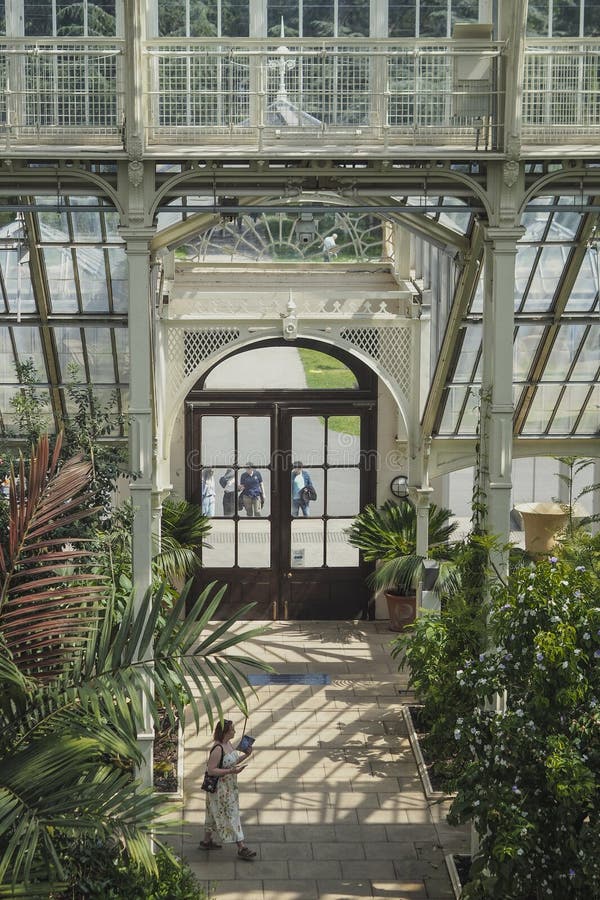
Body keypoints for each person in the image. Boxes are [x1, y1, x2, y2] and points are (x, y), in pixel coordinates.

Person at [200, 719, 256, 860]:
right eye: (232, 729)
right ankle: (241, 847)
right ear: (225, 732)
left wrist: (246, 756)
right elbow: (211, 770)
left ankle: (206, 842)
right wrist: (231, 772)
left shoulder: (228, 744)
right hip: (220, 790)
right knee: (231, 815)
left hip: (229, 787)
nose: (234, 731)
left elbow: (232, 762)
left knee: (213, 813)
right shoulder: (218, 749)